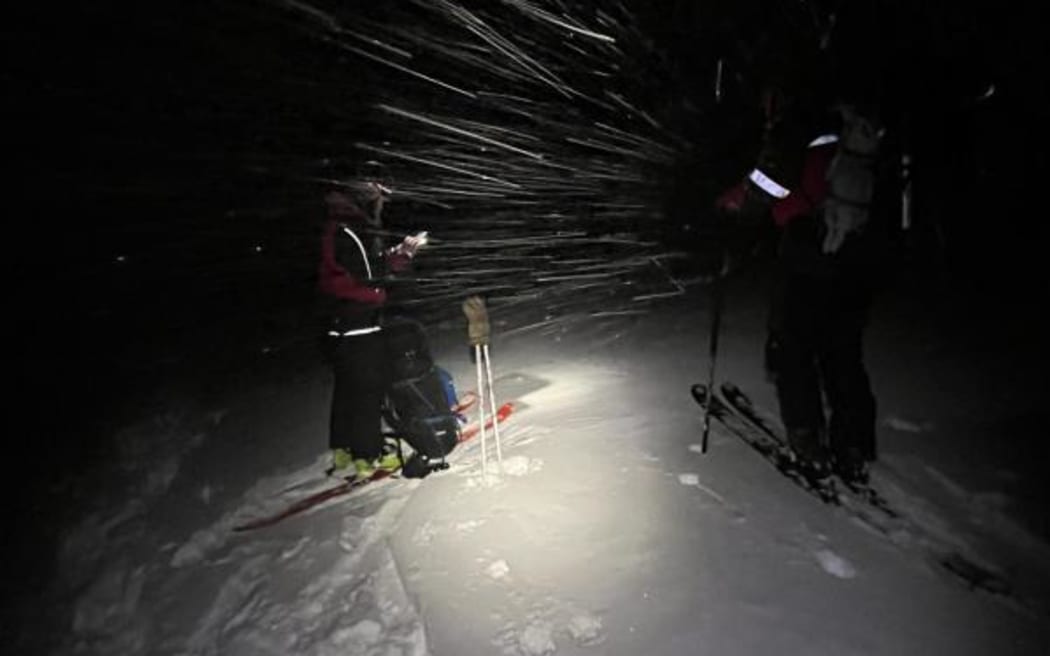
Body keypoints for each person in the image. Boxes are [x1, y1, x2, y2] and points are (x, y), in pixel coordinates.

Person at [716, 84, 882, 486]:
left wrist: (735, 206)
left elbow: (772, 180)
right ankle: (853, 444)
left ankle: (807, 442)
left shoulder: (796, 122)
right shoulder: (847, 124)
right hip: (856, 249)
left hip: (809, 244)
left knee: (793, 345)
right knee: (842, 348)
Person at [318, 175, 426, 478]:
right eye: (378, 194)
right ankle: (370, 455)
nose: (381, 200)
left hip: (340, 325)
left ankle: (343, 451)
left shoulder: (338, 223)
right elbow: (366, 273)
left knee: (348, 389)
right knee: (368, 390)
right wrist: (384, 284)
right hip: (358, 323)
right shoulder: (350, 228)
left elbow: (367, 264)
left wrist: (397, 256)